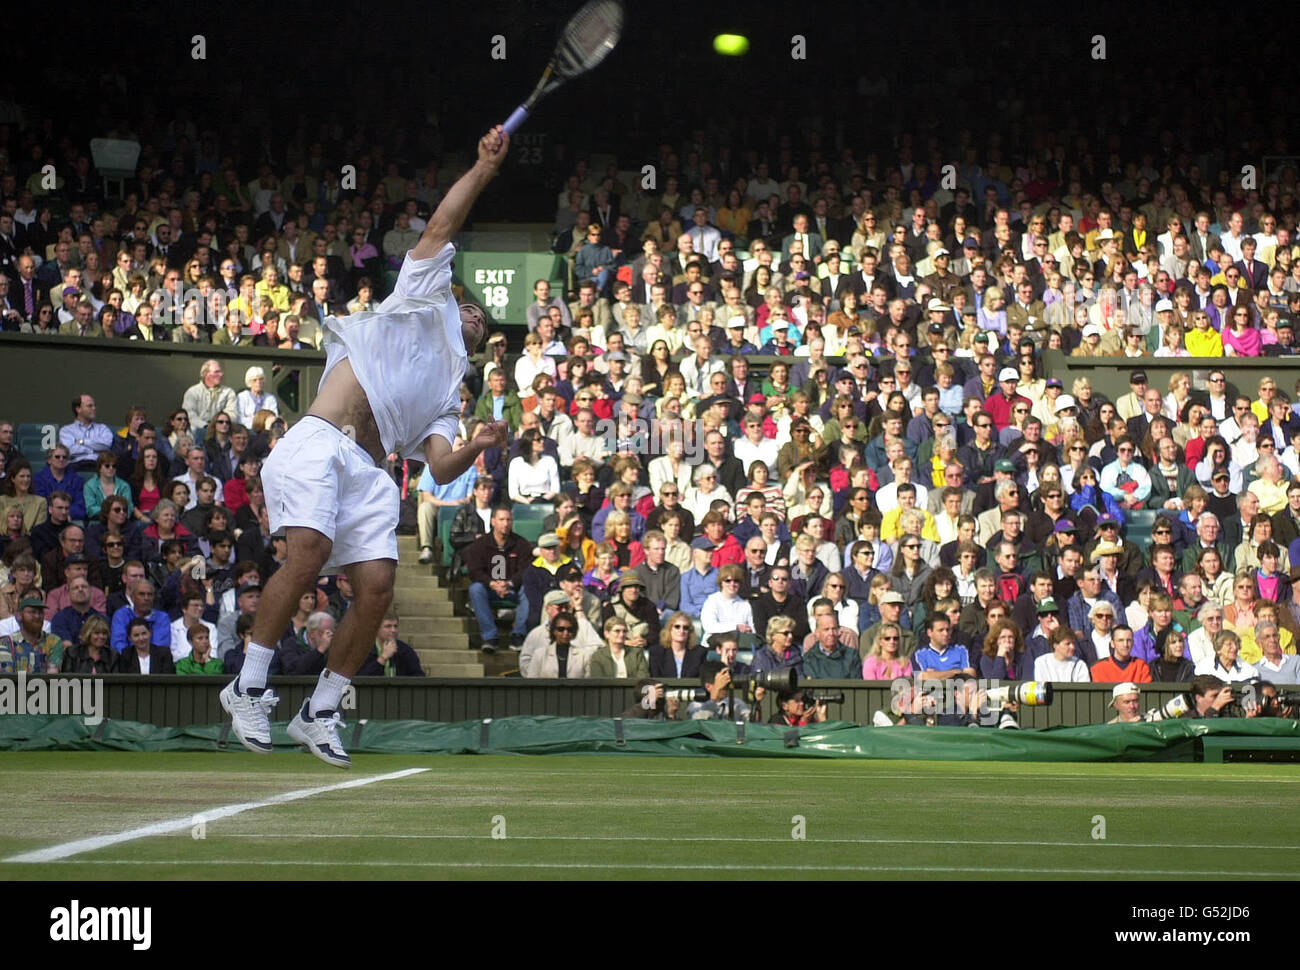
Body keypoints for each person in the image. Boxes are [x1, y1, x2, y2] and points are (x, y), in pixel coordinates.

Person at [221, 126, 512, 767]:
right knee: (309, 551)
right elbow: (439, 224)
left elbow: (438, 464)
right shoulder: (421, 301)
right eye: (468, 308)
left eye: (481, 321)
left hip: (371, 473)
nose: (472, 317)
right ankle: (247, 685)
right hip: (321, 441)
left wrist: (479, 446)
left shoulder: (448, 393)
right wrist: (483, 169)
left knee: (378, 587)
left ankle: (320, 711)